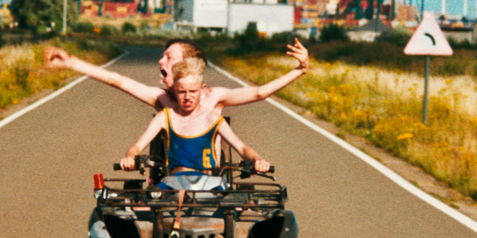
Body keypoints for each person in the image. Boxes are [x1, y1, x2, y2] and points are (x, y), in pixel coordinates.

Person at [44, 36, 309, 116]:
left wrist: (300, 70)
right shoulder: (160, 97)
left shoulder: (215, 96)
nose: (161, 60)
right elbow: (117, 79)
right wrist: (71, 63)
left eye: (169, 57)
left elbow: (260, 92)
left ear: (189, 66)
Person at [119, 57, 270, 190]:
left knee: (241, 210)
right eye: (182, 92)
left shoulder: (213, 118)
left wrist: (257, 160)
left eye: (193, 91)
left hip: (211, 185)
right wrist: (130, 157)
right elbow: (137, 147)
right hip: (172, 184)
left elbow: (242, 148)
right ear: (175, 92)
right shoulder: (164, 117)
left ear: (202, 90)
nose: (187, 97)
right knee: (139, 211)